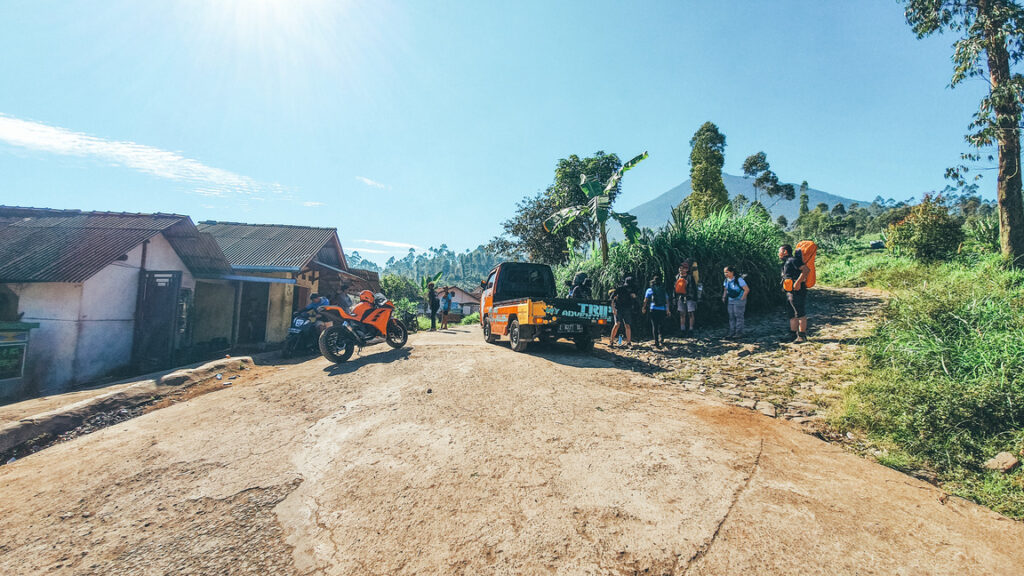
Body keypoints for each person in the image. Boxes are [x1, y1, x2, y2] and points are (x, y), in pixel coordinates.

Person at [779, 244, 811, 342]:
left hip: (798, 290)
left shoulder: (793, 260)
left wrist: (797, 283)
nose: (778, 254)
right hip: (789, 291)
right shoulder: (786, 262)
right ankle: (793, 335)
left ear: (785, 252)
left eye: (779, 251)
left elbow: (806, 269)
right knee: (792, 313)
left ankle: (802, 336)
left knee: (799, 312)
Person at [721, 266, 749, 339]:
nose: (725, 274)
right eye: (724, 272)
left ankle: (739, 333)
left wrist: (742, 298)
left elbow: (746, 289)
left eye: (727, 272)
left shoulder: (739, 279)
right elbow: (725, 289)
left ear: (732, 272)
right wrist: (724, 297)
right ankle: (731, 332)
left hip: (739, 300)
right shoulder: (726, 280)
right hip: (731, 300)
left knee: (738, 316)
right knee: (731, 316)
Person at [642, 275, 669, 348]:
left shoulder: (650, 290)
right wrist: (668, 310)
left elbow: (646, 300)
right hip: (662, 309)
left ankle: (656, 342)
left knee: (655, 326)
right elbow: (667, 300)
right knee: (662, 324)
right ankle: (662, 339)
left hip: (653, 309)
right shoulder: (663, 289)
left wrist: (644, 308)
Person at [609, 276, 636, 348]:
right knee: (617, 324)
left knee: (627, 325)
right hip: (618, 308)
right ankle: (611, 341)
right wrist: (613, 309)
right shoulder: (619, 288)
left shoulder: (632, 289)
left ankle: (629, 343)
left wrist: (633, 296)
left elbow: (634, 298)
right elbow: (612, 299)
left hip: (627, 308)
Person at [674, 261, 699, 334]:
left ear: (687, 269)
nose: (681, 269)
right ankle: (682, 329)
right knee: (682, 314)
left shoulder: (690, 277)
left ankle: (691, 329)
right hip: (680, 298)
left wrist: (695, 299)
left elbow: (694, 289)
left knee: (690, 313)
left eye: (683, 268)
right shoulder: (677, 277)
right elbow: (674, 288)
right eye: (680, 268)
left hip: (690, 298)